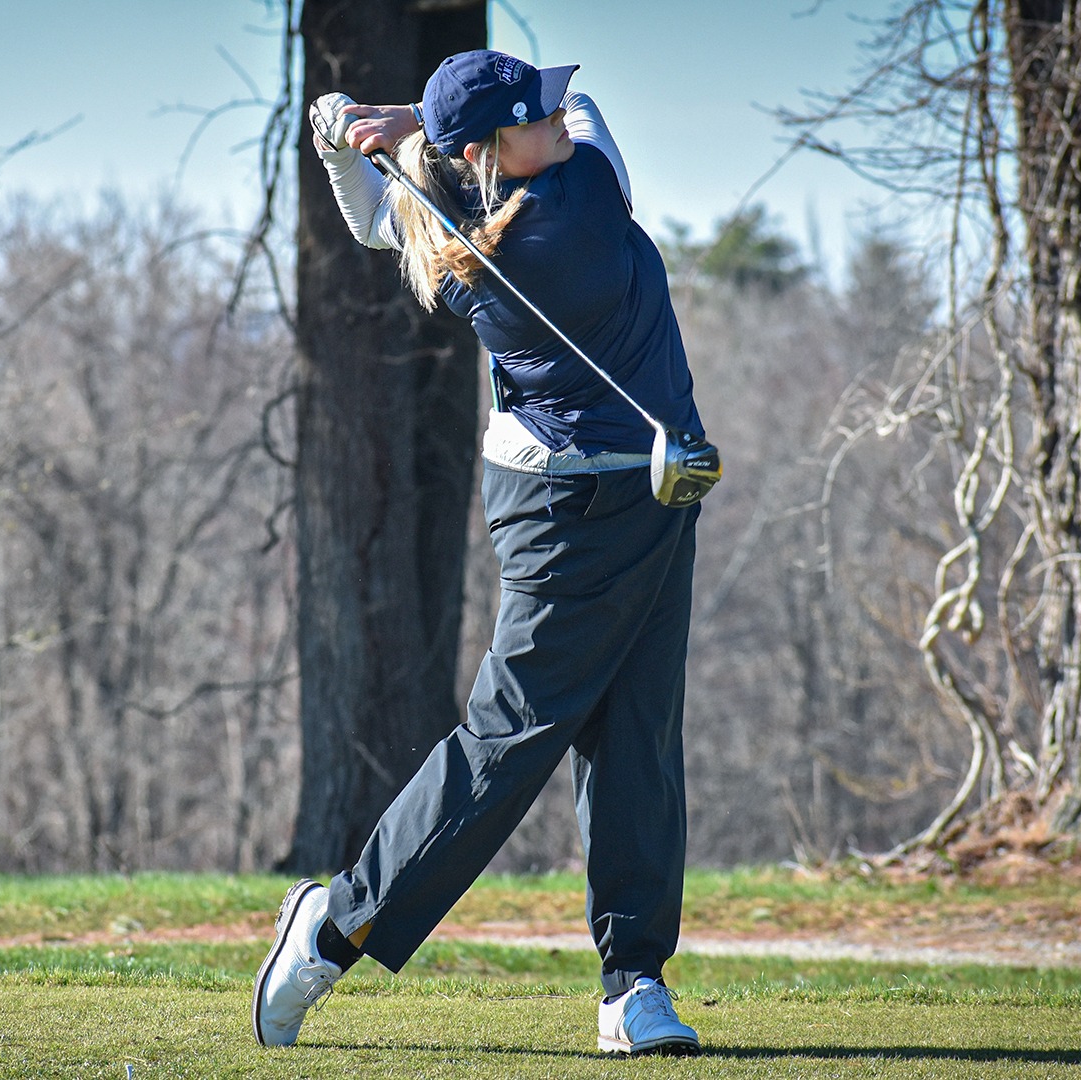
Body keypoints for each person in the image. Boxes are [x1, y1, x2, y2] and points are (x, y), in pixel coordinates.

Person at [254, 49, 708, 1057]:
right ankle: (334, 925)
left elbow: (377, 219)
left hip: (638, 495)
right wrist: (405, 119)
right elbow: (589, 112)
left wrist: (351, 141)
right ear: (490, 151)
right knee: (511, 742)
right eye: (531, 114)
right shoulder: (581, 200)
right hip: (577, 513)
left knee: (637, 735)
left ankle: (634, 983)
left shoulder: (454, 229)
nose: (556, 113)